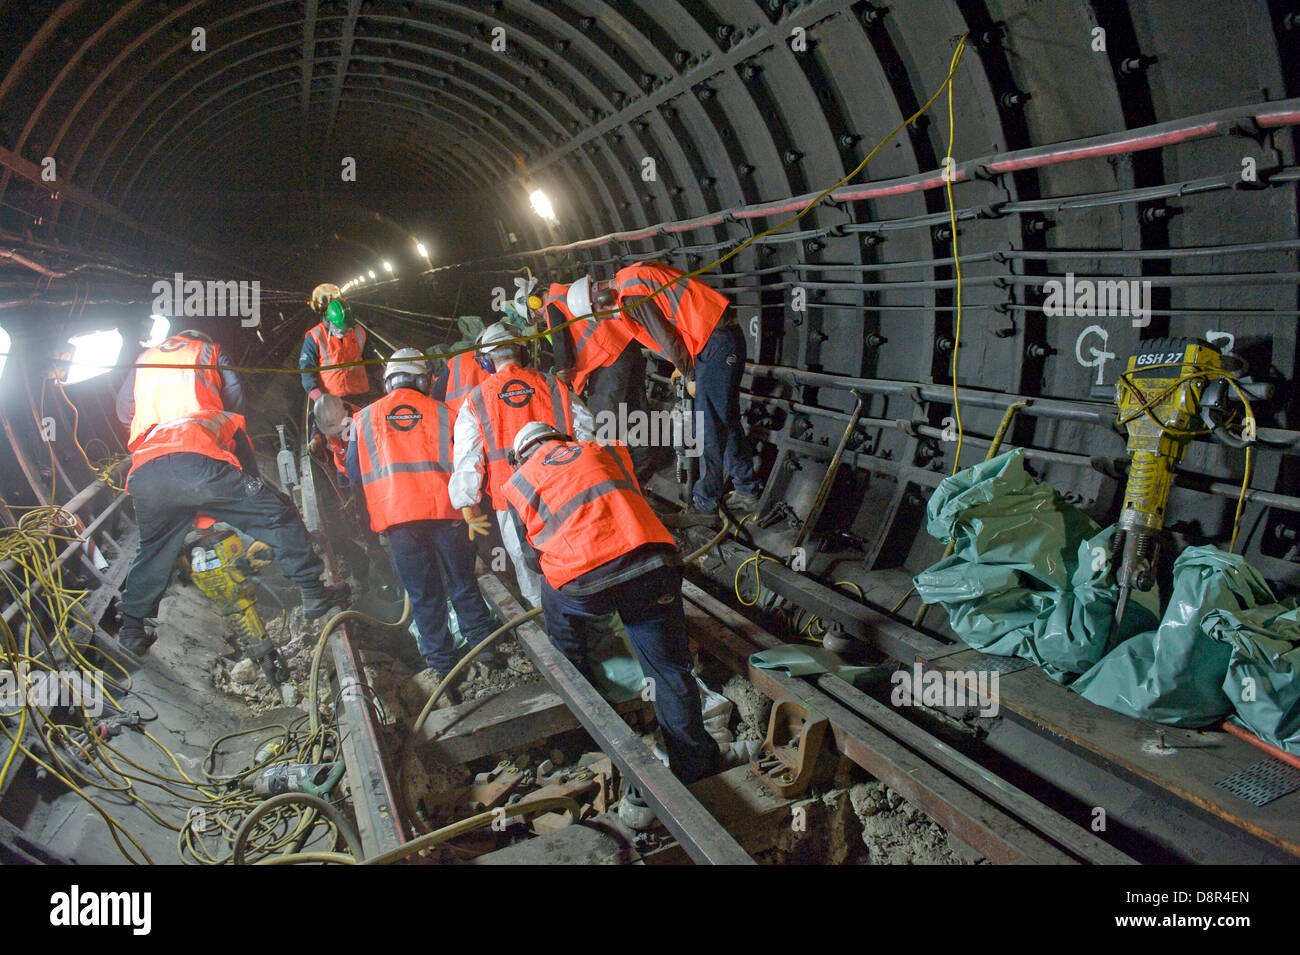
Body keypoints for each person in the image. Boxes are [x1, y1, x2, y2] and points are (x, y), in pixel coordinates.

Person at [502, 421, 718, 787]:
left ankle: (581, 698)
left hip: (585, 588)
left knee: (555, 601)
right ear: (562, 439)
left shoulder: (519, 482)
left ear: (520, 456)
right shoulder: (605, 449)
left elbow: (530, 558)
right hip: (652, 567)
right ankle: (695, 766)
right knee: (668, 670)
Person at [115, 330, 343, 654]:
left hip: (147, 475)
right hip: (200, 467)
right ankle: (313, 592)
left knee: (152, 551)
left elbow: (125, 413)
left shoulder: (143, 358)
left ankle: (131, 630)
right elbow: (236, 410)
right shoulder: (209, 353)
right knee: (278, 512)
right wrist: (256, 491)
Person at [568, 261, 761, 528]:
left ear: (600, 299)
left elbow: (667, 338)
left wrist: (691, 373)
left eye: (601, 315)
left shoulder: (630, 296)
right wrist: (688, 366)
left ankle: (705, 507)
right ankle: (746, 489)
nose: (608, 319)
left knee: (709, 427)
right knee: (724, 419)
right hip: (716, 338)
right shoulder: (630, 276)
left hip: (715, 342)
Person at [346, 348, 497, 676]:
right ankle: (485, 651)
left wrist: (370, 531)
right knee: (463, 583)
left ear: (388, 382)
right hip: (449, 515)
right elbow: (469, 462)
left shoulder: (363, 421)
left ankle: (443, 667)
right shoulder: (447, 413)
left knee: (424, 596)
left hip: (399, 522)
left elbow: (355, 479)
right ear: (422, 379)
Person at [449, 321, 595, 608]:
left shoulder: (476, 399)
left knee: (526, 562)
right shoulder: (552, 384)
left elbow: (467, 455)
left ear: (487, 362)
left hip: (512, 498)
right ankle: (583, 605)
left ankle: (545, 617)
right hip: (563, 487)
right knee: (571, 550)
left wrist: (467, 499)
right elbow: (586, 431)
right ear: (523, 354)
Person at [529, 280, 652, 481]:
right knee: (635, 405)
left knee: (603, 416)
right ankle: (644, 462)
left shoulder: (553, 303)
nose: (541, 318)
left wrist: (562, 374)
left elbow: (561, 343)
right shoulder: (569, 290)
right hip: (626, 346)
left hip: (608, 357)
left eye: (537, 315)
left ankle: (615, 473)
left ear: (535, 302)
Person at [300, 298, 371, 403]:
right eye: (342, 328)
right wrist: (316, 395)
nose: (345, 331)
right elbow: (306, 368)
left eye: (347, 327)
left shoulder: (358, 331)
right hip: (333, 398)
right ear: (329, 321)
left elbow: (370, 357)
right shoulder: (315, 336)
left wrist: (381, 376)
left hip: (360, 393)